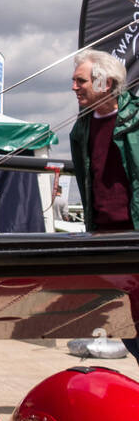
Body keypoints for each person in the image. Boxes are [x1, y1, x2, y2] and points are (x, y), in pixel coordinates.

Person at [69, 48, 139, 361]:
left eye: (80, 80)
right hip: (105, 238)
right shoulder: (81, 128)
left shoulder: (136, 119)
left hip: (134, 232)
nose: (73, 87)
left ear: (105, 83)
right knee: (125, 323)